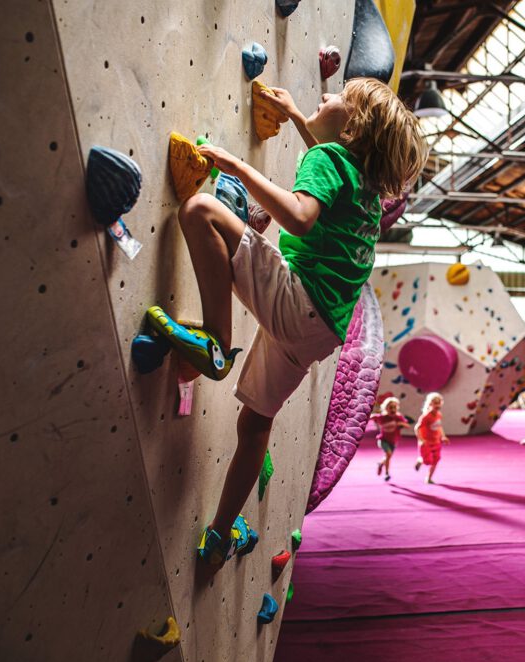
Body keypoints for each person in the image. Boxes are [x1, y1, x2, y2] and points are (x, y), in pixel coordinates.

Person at [148, 78, 427, 565]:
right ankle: (217, 538)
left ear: (354, 126)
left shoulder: (330, 162)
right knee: (256, 425)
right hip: (320, 332)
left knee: (201, 211)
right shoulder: (363, 186)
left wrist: (235, 164)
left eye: (338, 97)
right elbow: (327, 160)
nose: (326, 97)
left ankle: (215, 338)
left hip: (300, 303)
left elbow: (299, 217)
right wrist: (299, 116)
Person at [370, 397, 409, 481]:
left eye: (394, 407)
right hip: (383, 440)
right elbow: (372, 416)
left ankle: (381, 464)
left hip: (394, 441)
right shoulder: (382, 417)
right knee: (388, 454)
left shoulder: (398, 417)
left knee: (388, 456)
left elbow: (407, 426)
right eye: (390, 407)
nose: (393, 409)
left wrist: (401, 423)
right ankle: (387, 473)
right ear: (386, 408)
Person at [414, 393, 448, 484]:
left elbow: (439, 427)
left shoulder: (438, 415)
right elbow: (417, 428)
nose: (437, 405)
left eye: (439, 403)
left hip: (436, 441)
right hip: (426, 443)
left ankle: (428, 478)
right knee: (427, 461)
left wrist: (443, 436)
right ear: (430, 404)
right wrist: (421, 439)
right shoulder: (426, 417)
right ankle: (420, 460)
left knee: (436, 460)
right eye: (435, 403)